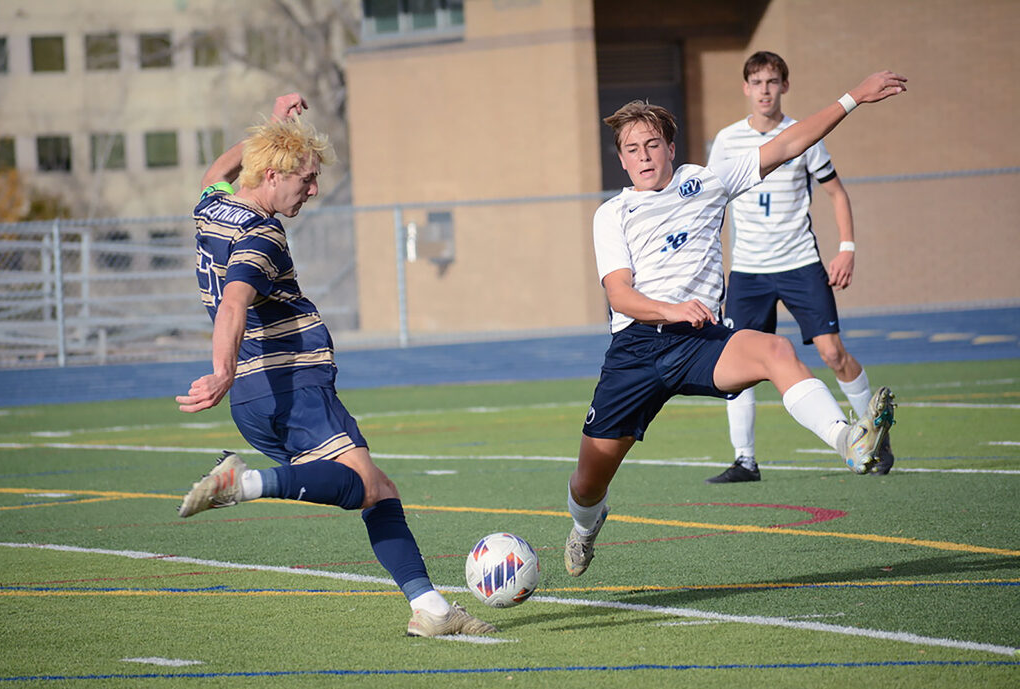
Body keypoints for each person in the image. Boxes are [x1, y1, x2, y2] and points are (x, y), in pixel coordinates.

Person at [175, 93, 496, 638]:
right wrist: (222, 368)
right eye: (307, 177)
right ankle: (242, 483)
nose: (313, 189)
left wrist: (275, 128)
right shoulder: (262, 233)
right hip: (290, 382)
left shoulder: (213, 207)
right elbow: (233, 302)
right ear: (273, 174)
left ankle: (433, 610)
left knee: (379, 488)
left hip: (257, 400)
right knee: (366, 486)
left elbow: (217, 170)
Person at [565, 70, 906, 577]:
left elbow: (789, 143)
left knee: (777, 351)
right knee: (588, 483)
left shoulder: (708, 180)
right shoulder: (612, 214)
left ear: (671, 148)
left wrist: (853, 97)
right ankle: (586, 528)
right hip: (636, 351)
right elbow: (621, 294)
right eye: (632, 149)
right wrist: (671, 309)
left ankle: (847, 441)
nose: (643, 156)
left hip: (701, 342)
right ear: (621, 159)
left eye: (652, 144)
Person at [705, 51, 893, 484]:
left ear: (784, 86)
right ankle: (745, 460)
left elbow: (837, 194)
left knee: (832, 352)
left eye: (772, 81)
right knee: (738, 365)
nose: (765, 90)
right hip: (748, 272)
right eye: (757, 82)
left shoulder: (804, 136)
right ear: (745, 89)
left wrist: (846, 248)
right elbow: (712, 206)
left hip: (799, 263)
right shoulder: (727, 140)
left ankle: (873, 438)